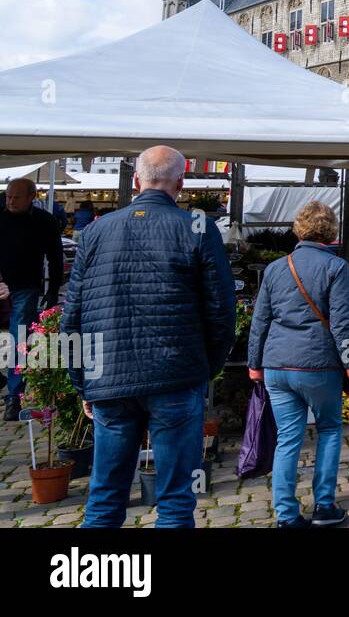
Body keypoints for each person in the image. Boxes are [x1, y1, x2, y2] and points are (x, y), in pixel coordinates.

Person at [63, 146, 235, 527]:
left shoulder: (94, 232)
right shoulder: (197, 227)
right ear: (181, 183)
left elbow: (71, 315)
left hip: (110, 378)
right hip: (175, 375)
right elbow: (223, 312)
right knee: (174, 499)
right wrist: (205, 368)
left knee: (106, 494)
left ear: (137, 181)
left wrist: (83, 383)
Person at [247, 201, 349, 528]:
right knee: (328, 428)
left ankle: (286, 514)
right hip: (318, 364)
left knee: (288, 438)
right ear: (330, 230)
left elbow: (260, 321)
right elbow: (342, 323)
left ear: (298, 228)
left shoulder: (275, 268)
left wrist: (254, 363)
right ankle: (324, 506)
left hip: (277, 365)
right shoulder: (336, 267)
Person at [2, 177, 66, 420]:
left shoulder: (45, 222)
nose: (11, 201)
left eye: (16, 197)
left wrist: (52, 291)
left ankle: (14, 398)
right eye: (8, 196)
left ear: (31, 197)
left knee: (19, 338)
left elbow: (55, 258)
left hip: (25, 287)